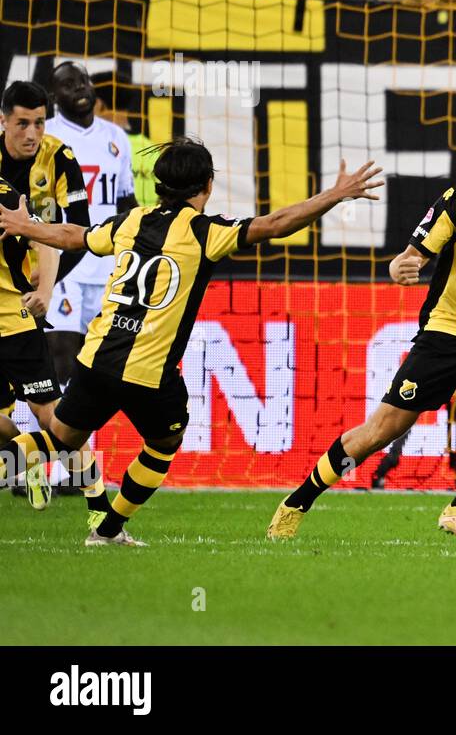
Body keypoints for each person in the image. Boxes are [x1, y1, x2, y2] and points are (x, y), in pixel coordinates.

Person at [0, 139, 383, 546]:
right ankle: (109, 529)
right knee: (164, 442)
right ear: (208, 185)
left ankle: (83, 513)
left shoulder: (131, 221)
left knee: (59, 439)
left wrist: (26, 226)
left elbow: (75, 235)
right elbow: (275, 224)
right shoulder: (206, 232)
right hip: (148, 374)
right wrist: (334, 195)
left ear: (159, 185)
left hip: (94, 360)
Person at [268, 108, 456, 545]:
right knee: (380, 431)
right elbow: (412, 255)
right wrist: (401, 266)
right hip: (446, 332)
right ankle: (297, 502)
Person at [44, 63, 138, 388]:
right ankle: (51, 436)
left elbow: (126, 201)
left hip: (105, 265)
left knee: (95, 365)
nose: (80, 88)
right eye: (69, 84)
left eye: (83, 81)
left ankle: (76, 437)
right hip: (61, 262)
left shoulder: (116, 137)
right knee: (60, 353)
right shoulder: (46, 135)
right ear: (55, 95)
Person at [0, 173, 80, 514]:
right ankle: (28, 460)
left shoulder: (4, 195)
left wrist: (45, 292)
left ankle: (100, 505)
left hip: (13, 325)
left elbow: (46, 241)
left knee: (52, 417)